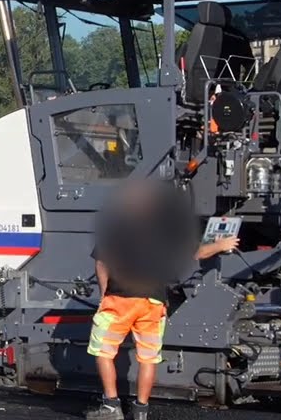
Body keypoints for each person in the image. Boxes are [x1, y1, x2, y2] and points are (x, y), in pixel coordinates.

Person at [84, 178, 238, 420]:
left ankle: (112, 407)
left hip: (120, 300)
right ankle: (141, 411)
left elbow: (101, 262)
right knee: (148, 358)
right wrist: (222, 244)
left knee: (103, 352)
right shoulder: (166, 230)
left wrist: (104, 292)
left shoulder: (116, 227)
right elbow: (197, 252)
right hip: (154, 302)